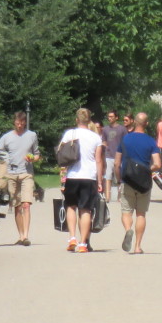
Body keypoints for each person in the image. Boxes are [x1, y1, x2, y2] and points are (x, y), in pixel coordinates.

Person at [0, 111, 38, 246]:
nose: (20, 126)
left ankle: (26, 236)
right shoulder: (7, 137)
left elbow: (37, 154)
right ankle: (21, 236)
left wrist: (33, 158)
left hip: (26, 174)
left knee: (26, 204)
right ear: (14, 123)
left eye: (22, 123)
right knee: (16, 205)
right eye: (17, 123)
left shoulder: (32, 135)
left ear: (25, 123)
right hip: (11, 174)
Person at [59, 108, 105, 254]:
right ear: (89, 120)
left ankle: (72, 237)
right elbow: (98, 160)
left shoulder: (69, 134)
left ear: (77, 120)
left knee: (71, 206)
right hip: (89, 176)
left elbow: (62, 154)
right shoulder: (96, 137)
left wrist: (62, 174)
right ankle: (83, 243)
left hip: (73, 175)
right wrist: (99, 181)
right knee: (86, 210)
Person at [115, 112, 160, 254]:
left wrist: (118, 180)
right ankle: (137, 246)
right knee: (141, 214)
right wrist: (147, 169)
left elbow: (117, 163)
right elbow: (157, 164)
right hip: (144, 182)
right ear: (146, 124)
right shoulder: (151, 141)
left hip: (128, 180)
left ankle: (128, 230)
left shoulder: (125, 139)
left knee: (126, 212)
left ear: (134, 122)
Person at [101, 111, 127, 202]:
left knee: (119, 177)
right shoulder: (105, 129)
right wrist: (104, 146)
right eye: (108, 116)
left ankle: (120, 196)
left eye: (111, 116)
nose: (109, 118)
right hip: (108, 155)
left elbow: (125, 142)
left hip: (119, 156)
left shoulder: (122, 129)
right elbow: (103, 140)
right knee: (107, 177)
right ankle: (108, 196)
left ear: (116, 117)